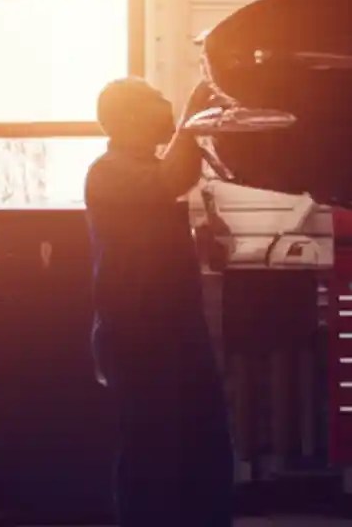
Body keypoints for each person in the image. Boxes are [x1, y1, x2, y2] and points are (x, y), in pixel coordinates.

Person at [84, 77, 233, 527]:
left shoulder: (147, 164)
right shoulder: (109, 170)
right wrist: (191, 115)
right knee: (153, 450)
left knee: (201, 443)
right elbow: (172, 178)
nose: (166, 103)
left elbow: (178, 178)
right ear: (128, 117)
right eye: (155, 100)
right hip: (138, 335)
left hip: (176, 330)